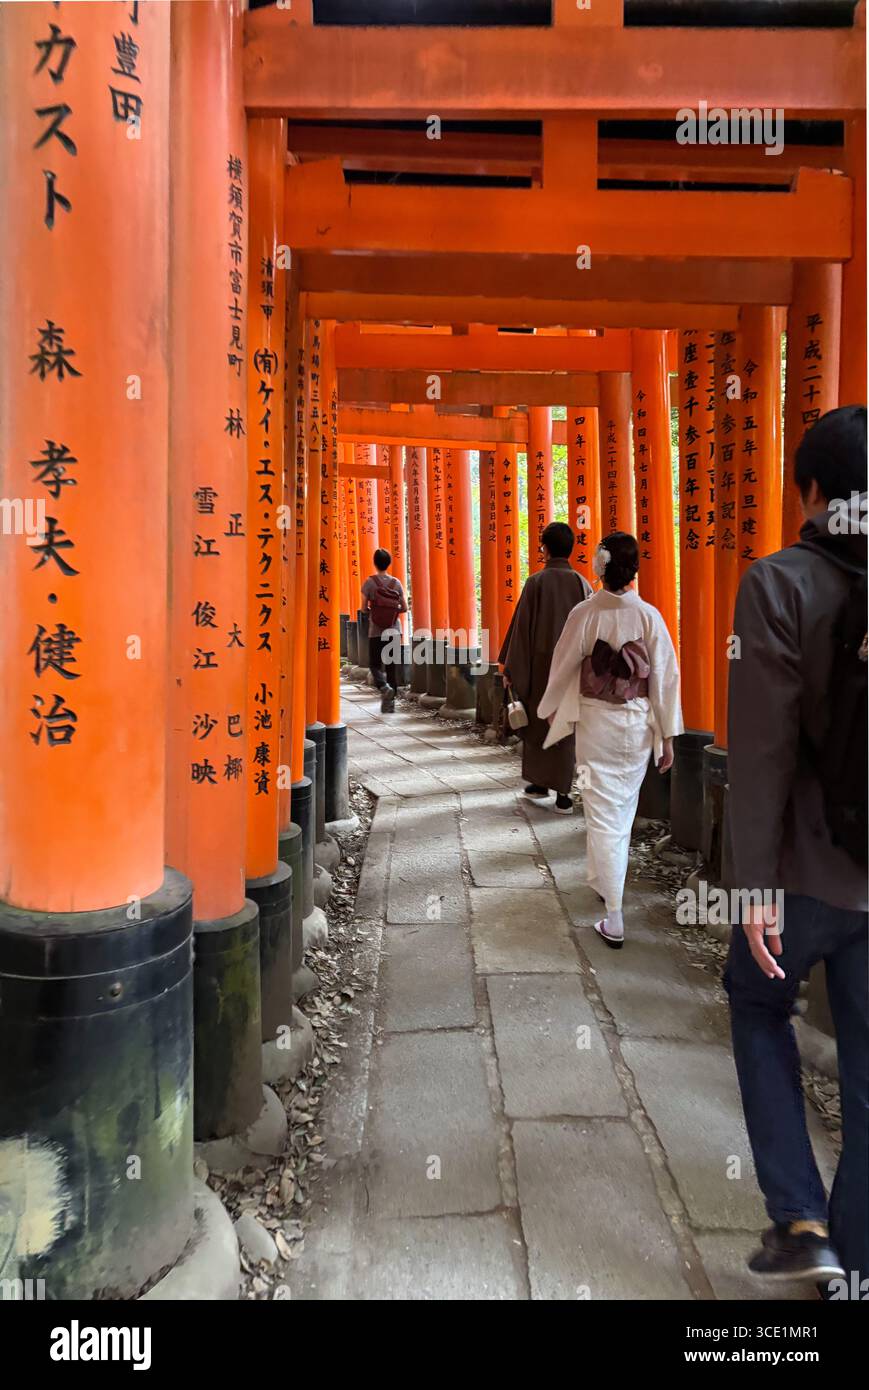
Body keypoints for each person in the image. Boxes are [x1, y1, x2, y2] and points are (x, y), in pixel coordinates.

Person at [723, 404, 868, 1291]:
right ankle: (851, 1270)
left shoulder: (777, 584)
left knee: (754, 1003)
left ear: (810, 494)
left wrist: (752, 887)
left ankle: (799, 1218)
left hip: (806, 874)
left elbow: (761, 749)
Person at [538, 532, 682, 946]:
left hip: (596, 723)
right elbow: (666, 678)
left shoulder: (585, 613)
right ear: (634, 569)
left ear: (600, 567)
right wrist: (667, 736)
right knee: (621, 810)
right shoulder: (649, 617)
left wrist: (550, 711)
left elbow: (562, 663)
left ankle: (615, 916)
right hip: (637, 724)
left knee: (601, 811)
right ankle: (605, 881)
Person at [499, 521, 592, 813]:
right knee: (564, 728)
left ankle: (557, 790)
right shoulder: (582, 583)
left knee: (539, 724)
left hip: (541, 669)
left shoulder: (536, 583)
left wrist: (512, 671)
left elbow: (521, 632)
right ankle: (550, 787)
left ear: (545, 548)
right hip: (572, 669)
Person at [361, 547, 407, 714]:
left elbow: (363, 608)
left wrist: (375, 610)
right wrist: (391, 610)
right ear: (389, 563)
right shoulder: (396, 583)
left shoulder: (369, 582)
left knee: (374, 665)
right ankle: (390, 705)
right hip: (394, 630)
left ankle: (383, 686)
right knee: (391, 667)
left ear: (375, 563)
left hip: (376, 631)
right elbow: (405, 608)